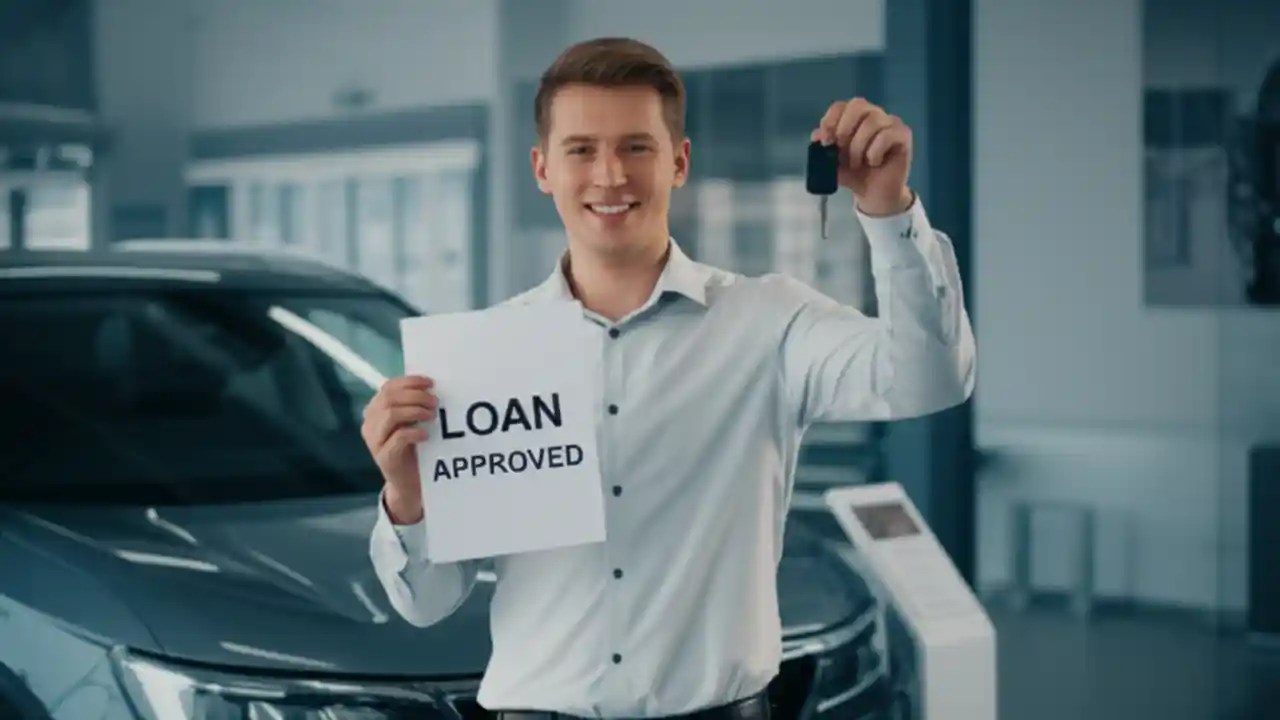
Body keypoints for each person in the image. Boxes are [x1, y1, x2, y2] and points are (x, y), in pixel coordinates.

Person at [364, 37, 975, 720]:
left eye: (636, 147)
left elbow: (929, 379)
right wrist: (406, 495)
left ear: (679, 162)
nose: (609, 175)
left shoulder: (770, 320)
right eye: (580, 150)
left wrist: (890, 214)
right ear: (542, 169)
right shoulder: (485, 358)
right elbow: (424, 602)